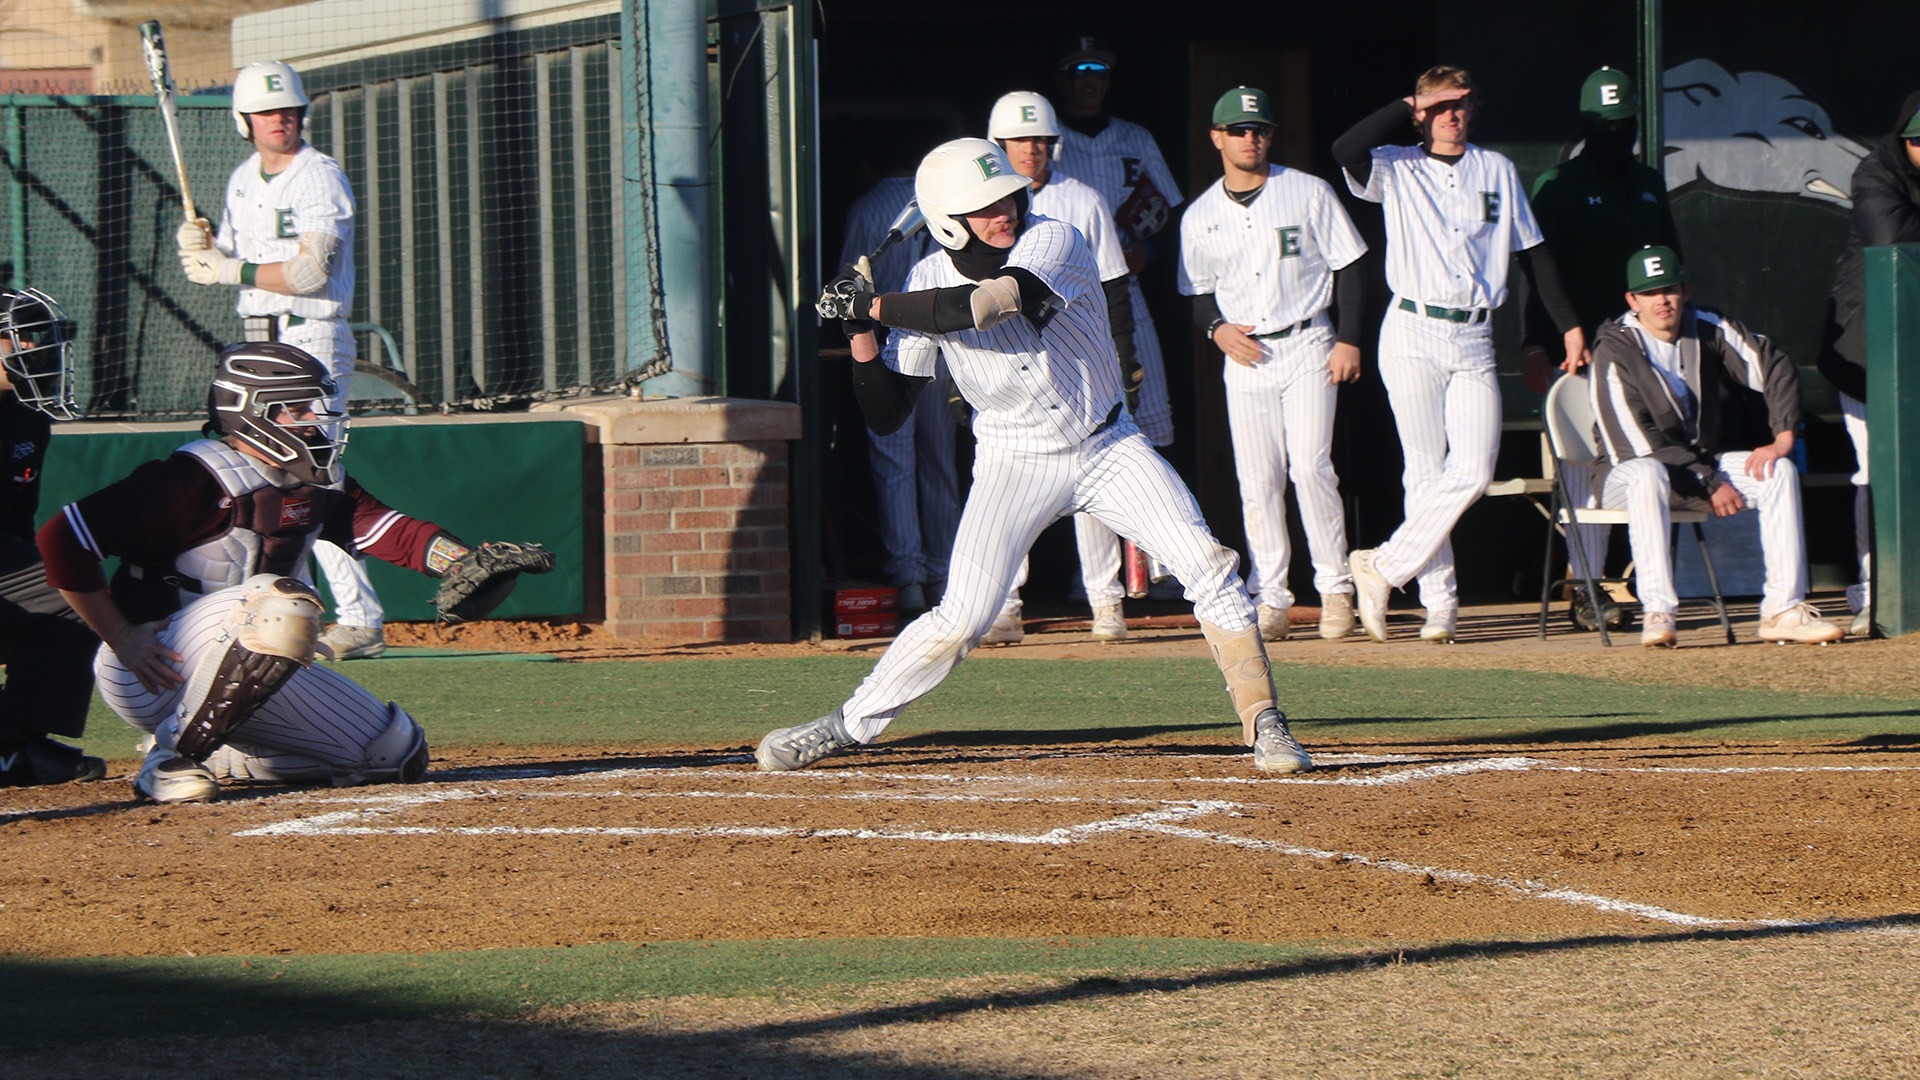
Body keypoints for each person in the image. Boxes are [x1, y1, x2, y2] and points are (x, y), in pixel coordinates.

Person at [762, 138, 1311, 775]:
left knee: (1209, 565)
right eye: (984, 205)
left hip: (1107, 444)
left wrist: (874, 305)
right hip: (1013, 461)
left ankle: (1265, 722)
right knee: (960, 618)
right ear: (945, 219)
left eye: (1007, 196)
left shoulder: (1055, 239)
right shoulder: (922, 279)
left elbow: (985, 308)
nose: (1005, 210)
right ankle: (845, 727)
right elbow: (888, 409)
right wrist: (858, 329)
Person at [36, 341, 557, 803]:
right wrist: (120, 636)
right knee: (279, 601)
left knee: (395, 753)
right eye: (300, 408)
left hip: (247, 667)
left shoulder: (320, 480)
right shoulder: (185, 479)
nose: (316, 418)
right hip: (153, 666)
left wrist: (462, 562)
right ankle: (171, 758)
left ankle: (219, 753)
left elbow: (387, 529)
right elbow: (61, 539)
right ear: (256, 413)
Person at [1333, 64, 1586, 644]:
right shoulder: (1396, 163)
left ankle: (1385, 565)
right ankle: (1439, 604)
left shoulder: (1495, 168)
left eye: (1461, 103)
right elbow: (1343, 147)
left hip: (1473, 332)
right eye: (1440, 105)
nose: (1452, 114)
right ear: (1420, 112)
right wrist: (1408, 103)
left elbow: (1535, 255)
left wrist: (1566, 326)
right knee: (1424, 468)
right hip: (1413, 326)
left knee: (1473, 468)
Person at [175, 59, 387, 661]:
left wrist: (226, 269)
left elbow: (307, 271)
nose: (281, 120)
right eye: (268, 112)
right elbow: (233, 259)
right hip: (256, 340)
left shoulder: (320, 175)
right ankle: (293, 609)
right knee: (270, 483)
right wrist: (204, 245)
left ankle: (360, 618)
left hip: (311, 335)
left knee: (312, 476)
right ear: (245, 121)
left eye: (290, 109)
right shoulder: (244, 178)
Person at [1179, 86, 1369, 644]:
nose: (1249, 138)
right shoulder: (1200, 215)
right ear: (1217, 137)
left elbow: (1352, 264)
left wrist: (1350, 338)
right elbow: (1196, 295)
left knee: (1311, 467)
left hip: (1310, 339)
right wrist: (1215, 329)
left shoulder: (1307, 191)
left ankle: (1335, 589)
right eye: (1237, 130)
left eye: (1258, 129)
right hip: (1247, 354)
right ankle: (1273, 594)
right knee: (1257, 479)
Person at [1588, 246, 1844, 647]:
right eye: (1650, 294)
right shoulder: (1614, 349)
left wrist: (1783, 436)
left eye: (1669, 289)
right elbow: (1636, 444)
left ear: (1685, 290)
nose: (1662, 301)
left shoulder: (1706, 325)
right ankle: (1658, 611)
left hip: (1698, 467)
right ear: (1632, 300)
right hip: (1626, 476)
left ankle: (1783, 609)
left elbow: (1772, 365)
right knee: (1646, 473)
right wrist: (1707, 481)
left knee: (1778, 472)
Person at [984, 89, 1142, 644]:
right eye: (1020, 140)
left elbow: (1116, 288)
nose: (1032, 150)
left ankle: (1107, 602)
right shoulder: (981, 208)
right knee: (1010, 487)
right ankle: (1005, 605)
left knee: (1095, 480)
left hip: (1079, 364)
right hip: (1011, 368)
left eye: (1042, 140)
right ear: (998, 145)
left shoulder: (1084, 198)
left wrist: (1127, 359)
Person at [1529, 67, 1683, 632]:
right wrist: (1534, 340)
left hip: (1648, 348)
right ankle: (1585, 584)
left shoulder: (1647, 182)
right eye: (1605, 126)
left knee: (1657, 450)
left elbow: (1672, 262)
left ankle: (1652, 578)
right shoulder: (1558, 185)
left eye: (1624, 125)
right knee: (1583, 461)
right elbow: (1539, 270)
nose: (1616, 134)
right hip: (1583, 346)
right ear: (1588, 127)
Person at [1050, 37, 1180, 475]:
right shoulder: (1047, 143)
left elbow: (1175, 212)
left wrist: (1149, 248)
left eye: (1098, 73)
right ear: (1061, 81)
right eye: (1079, 73)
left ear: (1108, 82)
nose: (1089, 82)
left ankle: (1150, 534)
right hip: (1063, 293)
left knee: (1150, 408)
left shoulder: (1135, 137)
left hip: (1126, 284)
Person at [1818, 91, 1920, 638]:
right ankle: (1873, 593)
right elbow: (1895, 238)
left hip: (1918, 345)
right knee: (1876, 471)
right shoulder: (1875, 172)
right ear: (1904, 138)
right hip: (1869, 348)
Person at [838, 171, 956, 621]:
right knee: (933, 460)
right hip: (933, 345)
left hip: (906, 344)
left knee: (903, 462)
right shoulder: (946, 197)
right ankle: (939, 574)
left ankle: (913, 575)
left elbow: (845, 291)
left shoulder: (872, 204)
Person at [0, 289, 104, 787]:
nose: (33, 349)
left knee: (71, 588)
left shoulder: (27, 416)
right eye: (17, 337)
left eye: (38, 338)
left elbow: (17, 525)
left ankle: (12, 745)